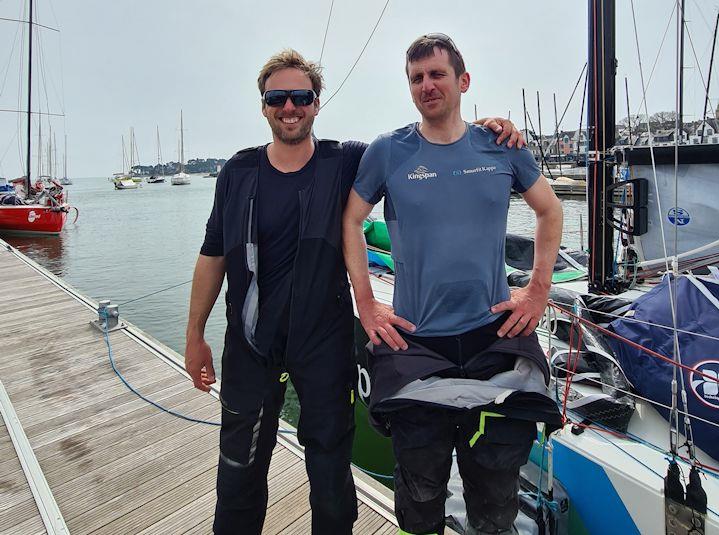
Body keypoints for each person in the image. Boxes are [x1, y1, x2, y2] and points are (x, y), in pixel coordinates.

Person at [184, 48, 525, 535]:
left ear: (316, 102)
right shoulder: (237, 173)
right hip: (250, 345)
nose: (289, 107)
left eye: (300, 96)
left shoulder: (346, 160)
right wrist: (195, 333)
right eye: (277, 97)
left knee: (329, 475)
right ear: (263, 105)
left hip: (324, 345)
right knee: (239, 472)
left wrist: (484, 130)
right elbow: (213, 254)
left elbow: (426, 144)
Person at [342, 34, 564, 535]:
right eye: (417, 78)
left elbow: (550, 210)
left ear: (463, 81)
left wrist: (537, 292)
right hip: (416, 339)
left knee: (496, 497)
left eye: (437, 74)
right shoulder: (389, 151)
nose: (427, 85)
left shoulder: (499, 145)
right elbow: (352, 221)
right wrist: (366, 306)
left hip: (493, 336)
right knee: (419, 496)